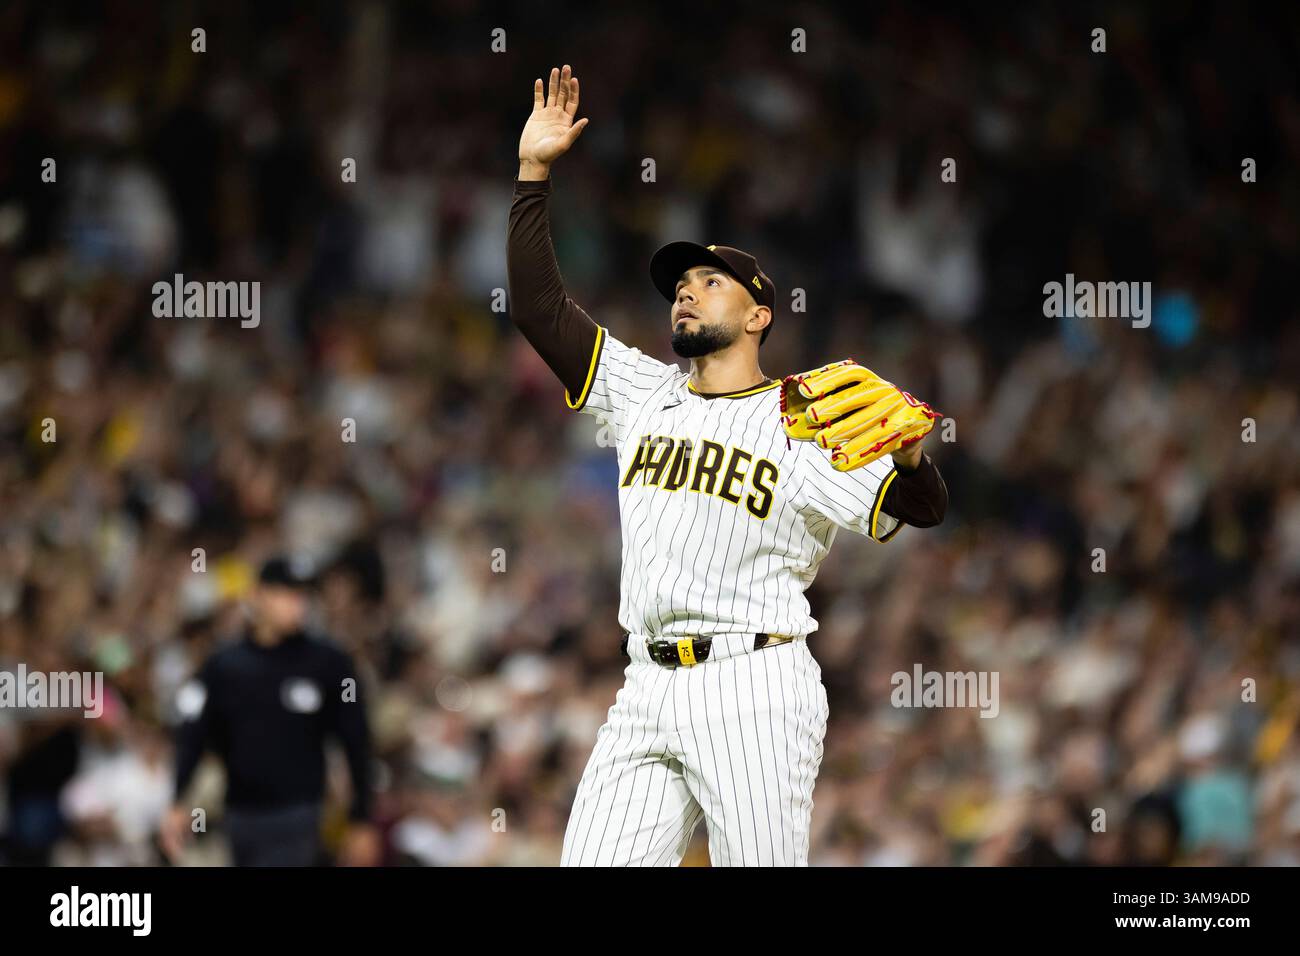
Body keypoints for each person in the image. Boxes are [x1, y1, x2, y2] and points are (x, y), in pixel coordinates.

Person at [507, 66, 948, 866]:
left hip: (754, 684)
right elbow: (539, 311)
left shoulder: (805, 421)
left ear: (757, 314)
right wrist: (533, 176)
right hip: (646, 681)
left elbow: (922, 507)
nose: (686, 292)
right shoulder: (642, 391)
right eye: (679, 283)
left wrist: (912, 452)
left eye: (709, 281)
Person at [160, 557, 380, 866]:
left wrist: (361, 818)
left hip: (298, 814)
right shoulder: (225, 666)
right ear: (257, 596)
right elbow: (193, 735)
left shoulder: (329, 664)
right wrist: (178, 800)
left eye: (302, 595)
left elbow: (356, 740)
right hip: (237, 813)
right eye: (286, 594)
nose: (297, 605)